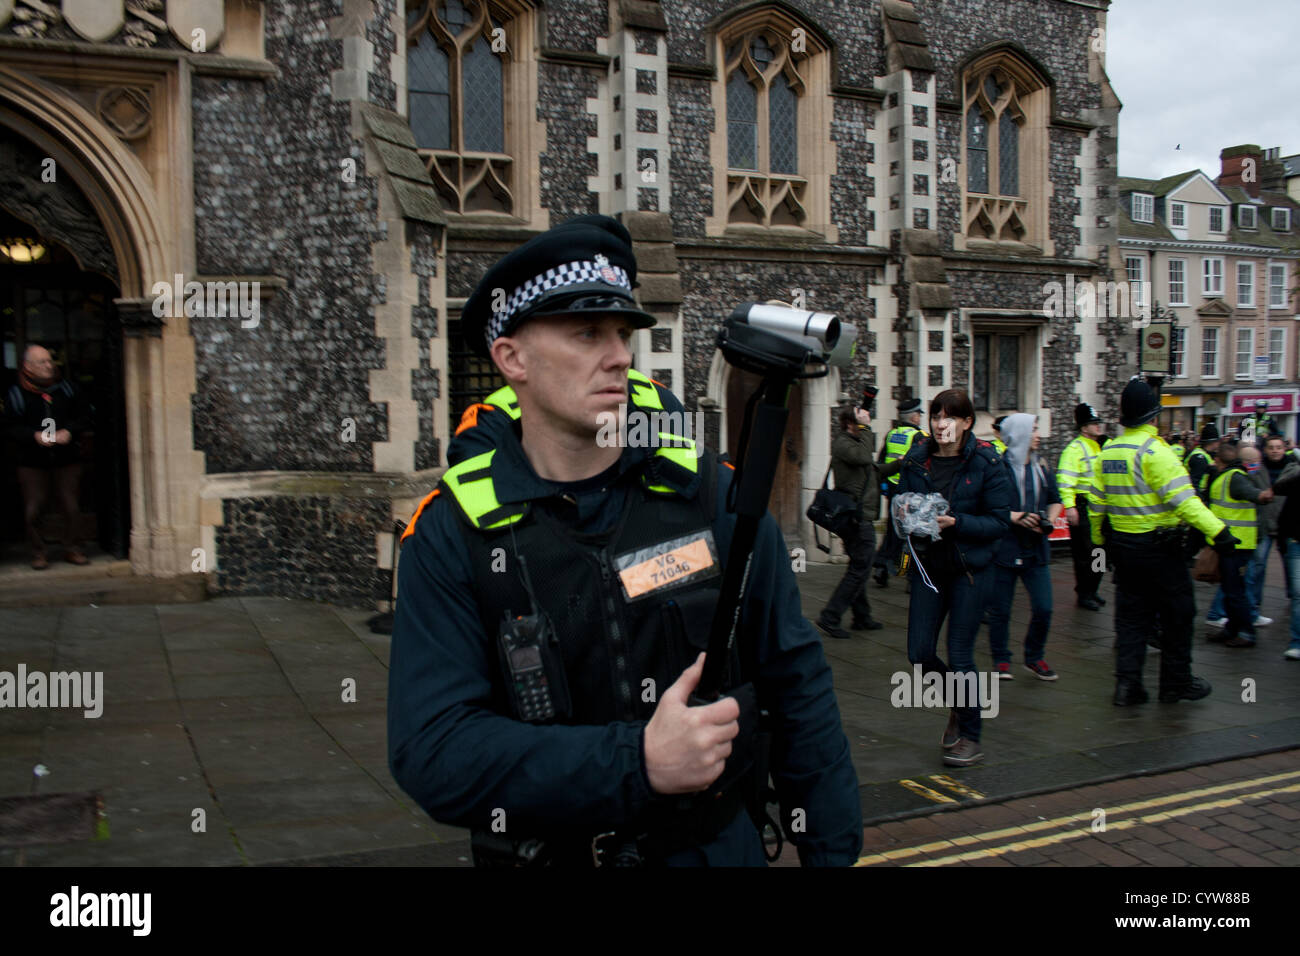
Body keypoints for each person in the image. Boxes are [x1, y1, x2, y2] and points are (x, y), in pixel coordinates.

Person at [386, 214, 862, 866]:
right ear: (511, 357)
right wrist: (635, 762)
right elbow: (433, 751)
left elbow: (797, 683)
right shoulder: (451, 532)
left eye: (621, 332)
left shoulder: (714, 499)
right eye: (586, 333)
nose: (617, 355)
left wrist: (831, 854)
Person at [1090, 378, 1231, 706]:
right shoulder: (1156, 452)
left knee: (1131, 618)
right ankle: (1176, 682)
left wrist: (1100, 540)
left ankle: (1127, 686)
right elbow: (1187, 502)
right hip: (1160, 550)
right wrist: (1219, 532)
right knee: (1178, 614)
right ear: (1153, 417)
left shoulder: (1108, 451)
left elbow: (1096, 505)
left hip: (1123, 549)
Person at [895, 389, 1011, 767]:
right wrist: (905, 521)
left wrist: (956, 523)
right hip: (929, 568)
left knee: (960, 654)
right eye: (935, 416)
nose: (940, 423)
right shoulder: (916, 459)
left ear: (966, 422)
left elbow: (997, 522)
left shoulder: (987, 461)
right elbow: (902, 506)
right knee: (920, 653)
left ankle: (971, 734)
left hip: (971, 570)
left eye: (949, 417)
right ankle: (960, 706)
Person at [987, 414, 1062, 680]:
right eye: (1033, 430)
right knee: (1001, 610)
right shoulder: (997, 466)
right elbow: (988, 507)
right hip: (1005, 548)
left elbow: (1055, 499)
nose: (1038, 434)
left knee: (1044, 607)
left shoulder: (1042, 464)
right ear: (1018, 435)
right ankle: (1001, 659)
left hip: (1036, 548)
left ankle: (1034, 656)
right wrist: (1015, 517)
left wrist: (1048, 522)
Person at [3, 345, 92, 569]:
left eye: (49, 361)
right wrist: (33, 436)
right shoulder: (15, 394)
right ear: (28, 367)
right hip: (31, 461)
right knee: (34, 508)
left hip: (66, 458)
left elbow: (85, 417)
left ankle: (73, 548)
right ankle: (38, 552)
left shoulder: (68, 389)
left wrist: (69, 432)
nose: (49, 366)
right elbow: (9, 426)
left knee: (71, 506)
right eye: (41, 362)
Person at [816, 403, 883, 638]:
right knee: (859, 569)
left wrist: (901, 463)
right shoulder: (844, 444)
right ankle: (830, 616)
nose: (864, 425)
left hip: (859, 515)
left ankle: (862, 617)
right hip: (856, 517)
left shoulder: (853, 444)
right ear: (849, 424)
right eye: (859, 422)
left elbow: (873, 470)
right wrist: (866, 427)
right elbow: (865, 456)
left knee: (860, 567)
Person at [1204, 442, 1272, 647]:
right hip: (1229, 542)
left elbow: (1253, 494)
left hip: (1237, 544)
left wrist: (1263, 495)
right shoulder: (1227, 477)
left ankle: (1246, 632)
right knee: (1230, 589)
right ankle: (1232, 629)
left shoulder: (1234, 478)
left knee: (1235, 592)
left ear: (1218, 460)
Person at [1058, 402, 1107, 610]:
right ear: (1082, 427)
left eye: (1098, 422)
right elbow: (1065, 480)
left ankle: (1093, 589)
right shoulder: (1074, 449)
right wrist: (1070, 507)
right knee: (1084, 553)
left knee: (1100, 552)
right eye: (1092, 423)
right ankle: (1084, 593)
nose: (1098, 426)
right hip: (1083, 505)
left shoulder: (1101, 446)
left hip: (1099, 507)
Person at [873, 397, 925, 587]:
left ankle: (882, 565)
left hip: (893, 489)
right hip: (911, 492)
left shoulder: (891, 434)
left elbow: (882, 460)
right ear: (913, 417)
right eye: (919, 415)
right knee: (913, 532)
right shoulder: (919, 437)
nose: (920, 418)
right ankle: (911, 576)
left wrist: (885, 486)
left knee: (893, 530)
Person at [1265, 457, 1300, 660]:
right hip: (1296, 542)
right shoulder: (1296, 481)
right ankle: (1297, 641)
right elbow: (1279, 487)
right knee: (1298, 593)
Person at [1260, 435, 1296, 601]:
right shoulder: (1258, 468)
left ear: (1284, 449)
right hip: (1264, 523)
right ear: (1266, 450)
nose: (1275, 451)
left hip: (1286, 525)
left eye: (1278, 447)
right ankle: (1255, 604)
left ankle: (1293, 597)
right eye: (1271, 447)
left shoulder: (1295, 469)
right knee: (1258, 565)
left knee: (1291, 567)